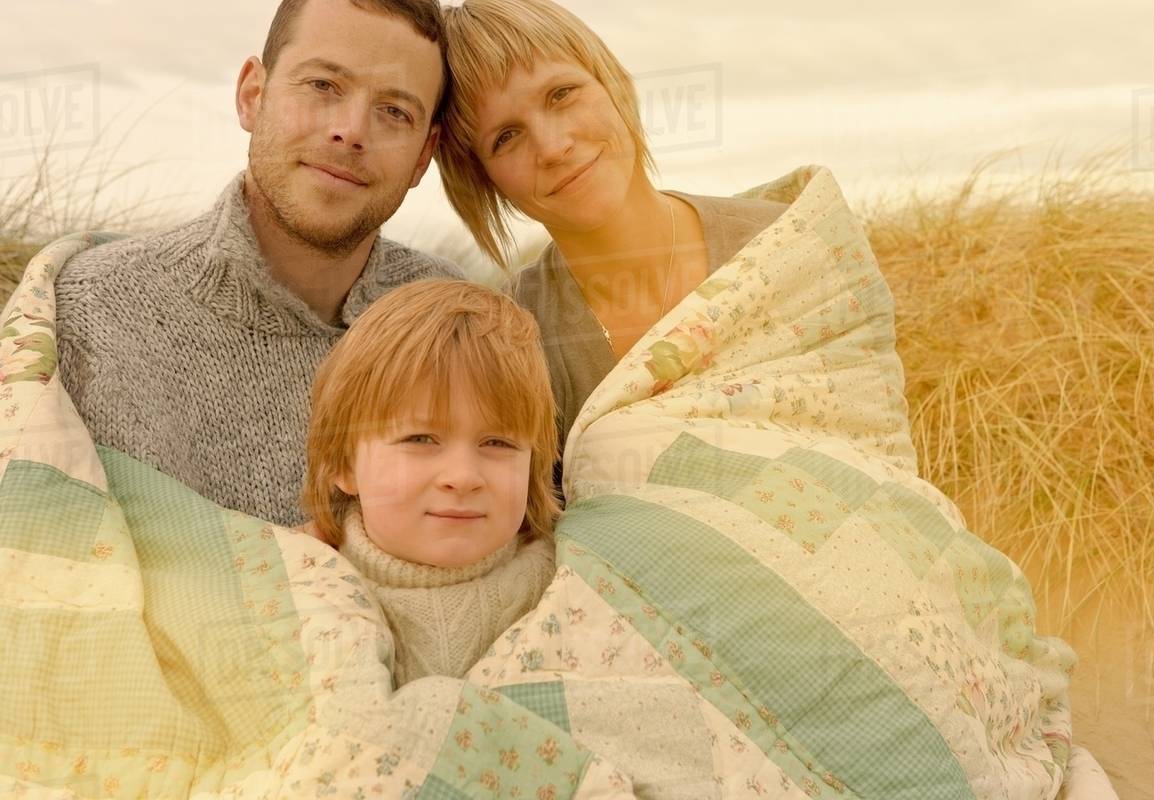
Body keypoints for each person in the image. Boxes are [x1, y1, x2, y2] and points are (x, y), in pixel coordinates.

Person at [53, 0, 460, 527]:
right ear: (252, 95)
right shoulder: (93, 311)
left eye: (394, 111)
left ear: (423, 156)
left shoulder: (450, 315)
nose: (351, 130)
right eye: (323, 86)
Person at [435, 0, 788, 454]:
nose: (554, 146)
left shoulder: (785, 239)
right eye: (506, 137)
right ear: (484, 181)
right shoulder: (509, 337)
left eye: (561, 95)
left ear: (611, 82)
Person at [300, 279, 559, 684]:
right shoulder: (298, 585)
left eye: (497, 442)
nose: (462, 478)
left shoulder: (571, 583)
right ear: (343, 463)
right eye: (420, 439)